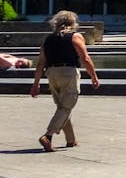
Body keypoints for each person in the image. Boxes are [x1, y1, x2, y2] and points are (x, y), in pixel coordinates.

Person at [30, 10, 99, 152]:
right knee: (66, 107)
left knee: (63, 107)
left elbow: (41, 63)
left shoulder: (48, 40)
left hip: (52, 74)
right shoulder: (75, 36)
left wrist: (35, 84)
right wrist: (94, 76)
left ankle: (71, 140)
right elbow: (85, 58)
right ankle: (47, 136)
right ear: (73, 23)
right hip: (68, 72)